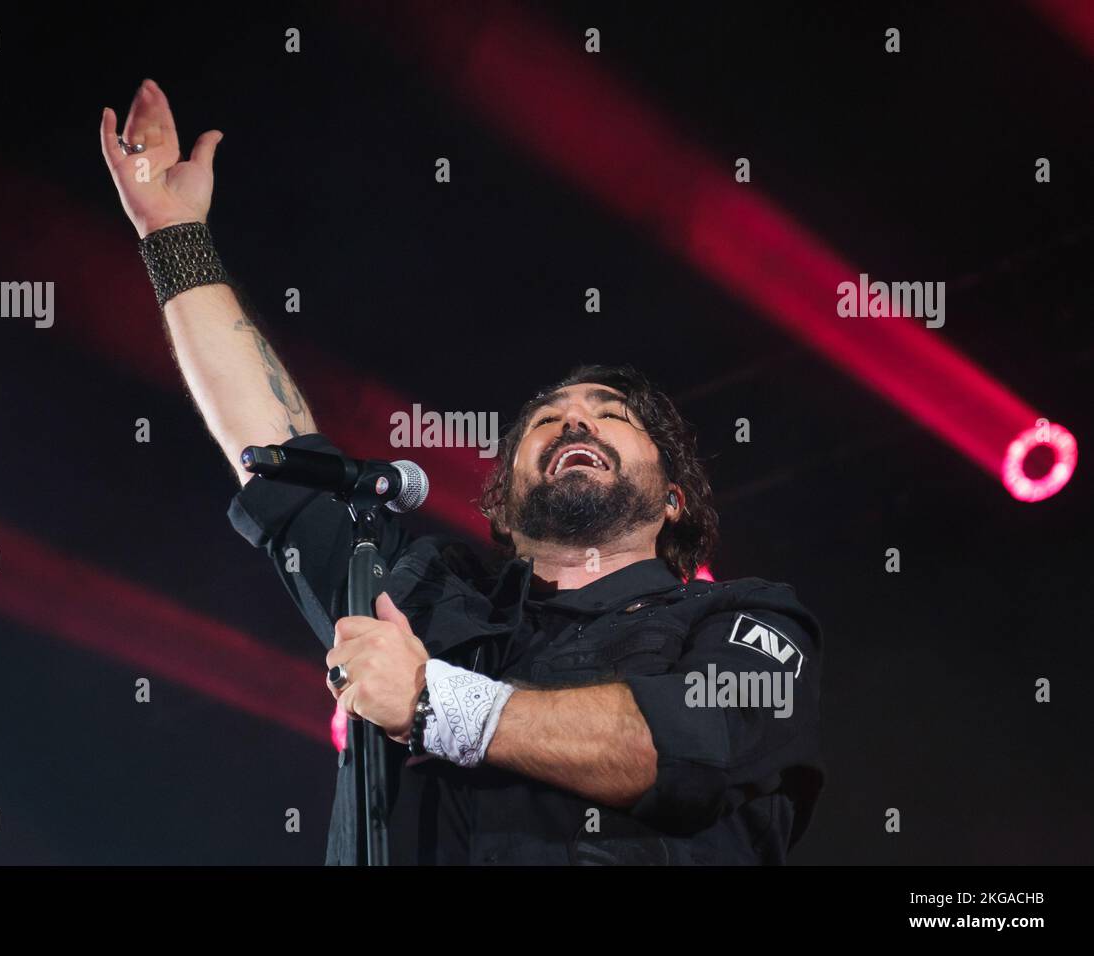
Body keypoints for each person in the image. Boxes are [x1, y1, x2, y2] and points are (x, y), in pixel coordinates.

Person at [100, 78, 824, 865]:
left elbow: (689, 749)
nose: (574, 420)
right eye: (545, 418)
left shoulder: (745, 620)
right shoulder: (424, 599)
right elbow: (280, 453)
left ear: (675, 499)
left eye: (611, 413)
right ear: (504, 503)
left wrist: (431, 701)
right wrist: (173, 236)